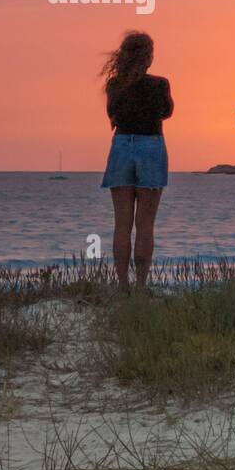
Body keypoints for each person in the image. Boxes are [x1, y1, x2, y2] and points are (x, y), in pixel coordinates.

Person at [99, 31, 173, 291]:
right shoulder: (160, 84)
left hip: (122, 146)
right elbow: (167, 111)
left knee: (121, 224)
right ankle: (141, 287)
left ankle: (122, 286)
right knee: (145, 224)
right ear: (148, 57)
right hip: (150, 145)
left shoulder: (114, 85)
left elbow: (112, 114)